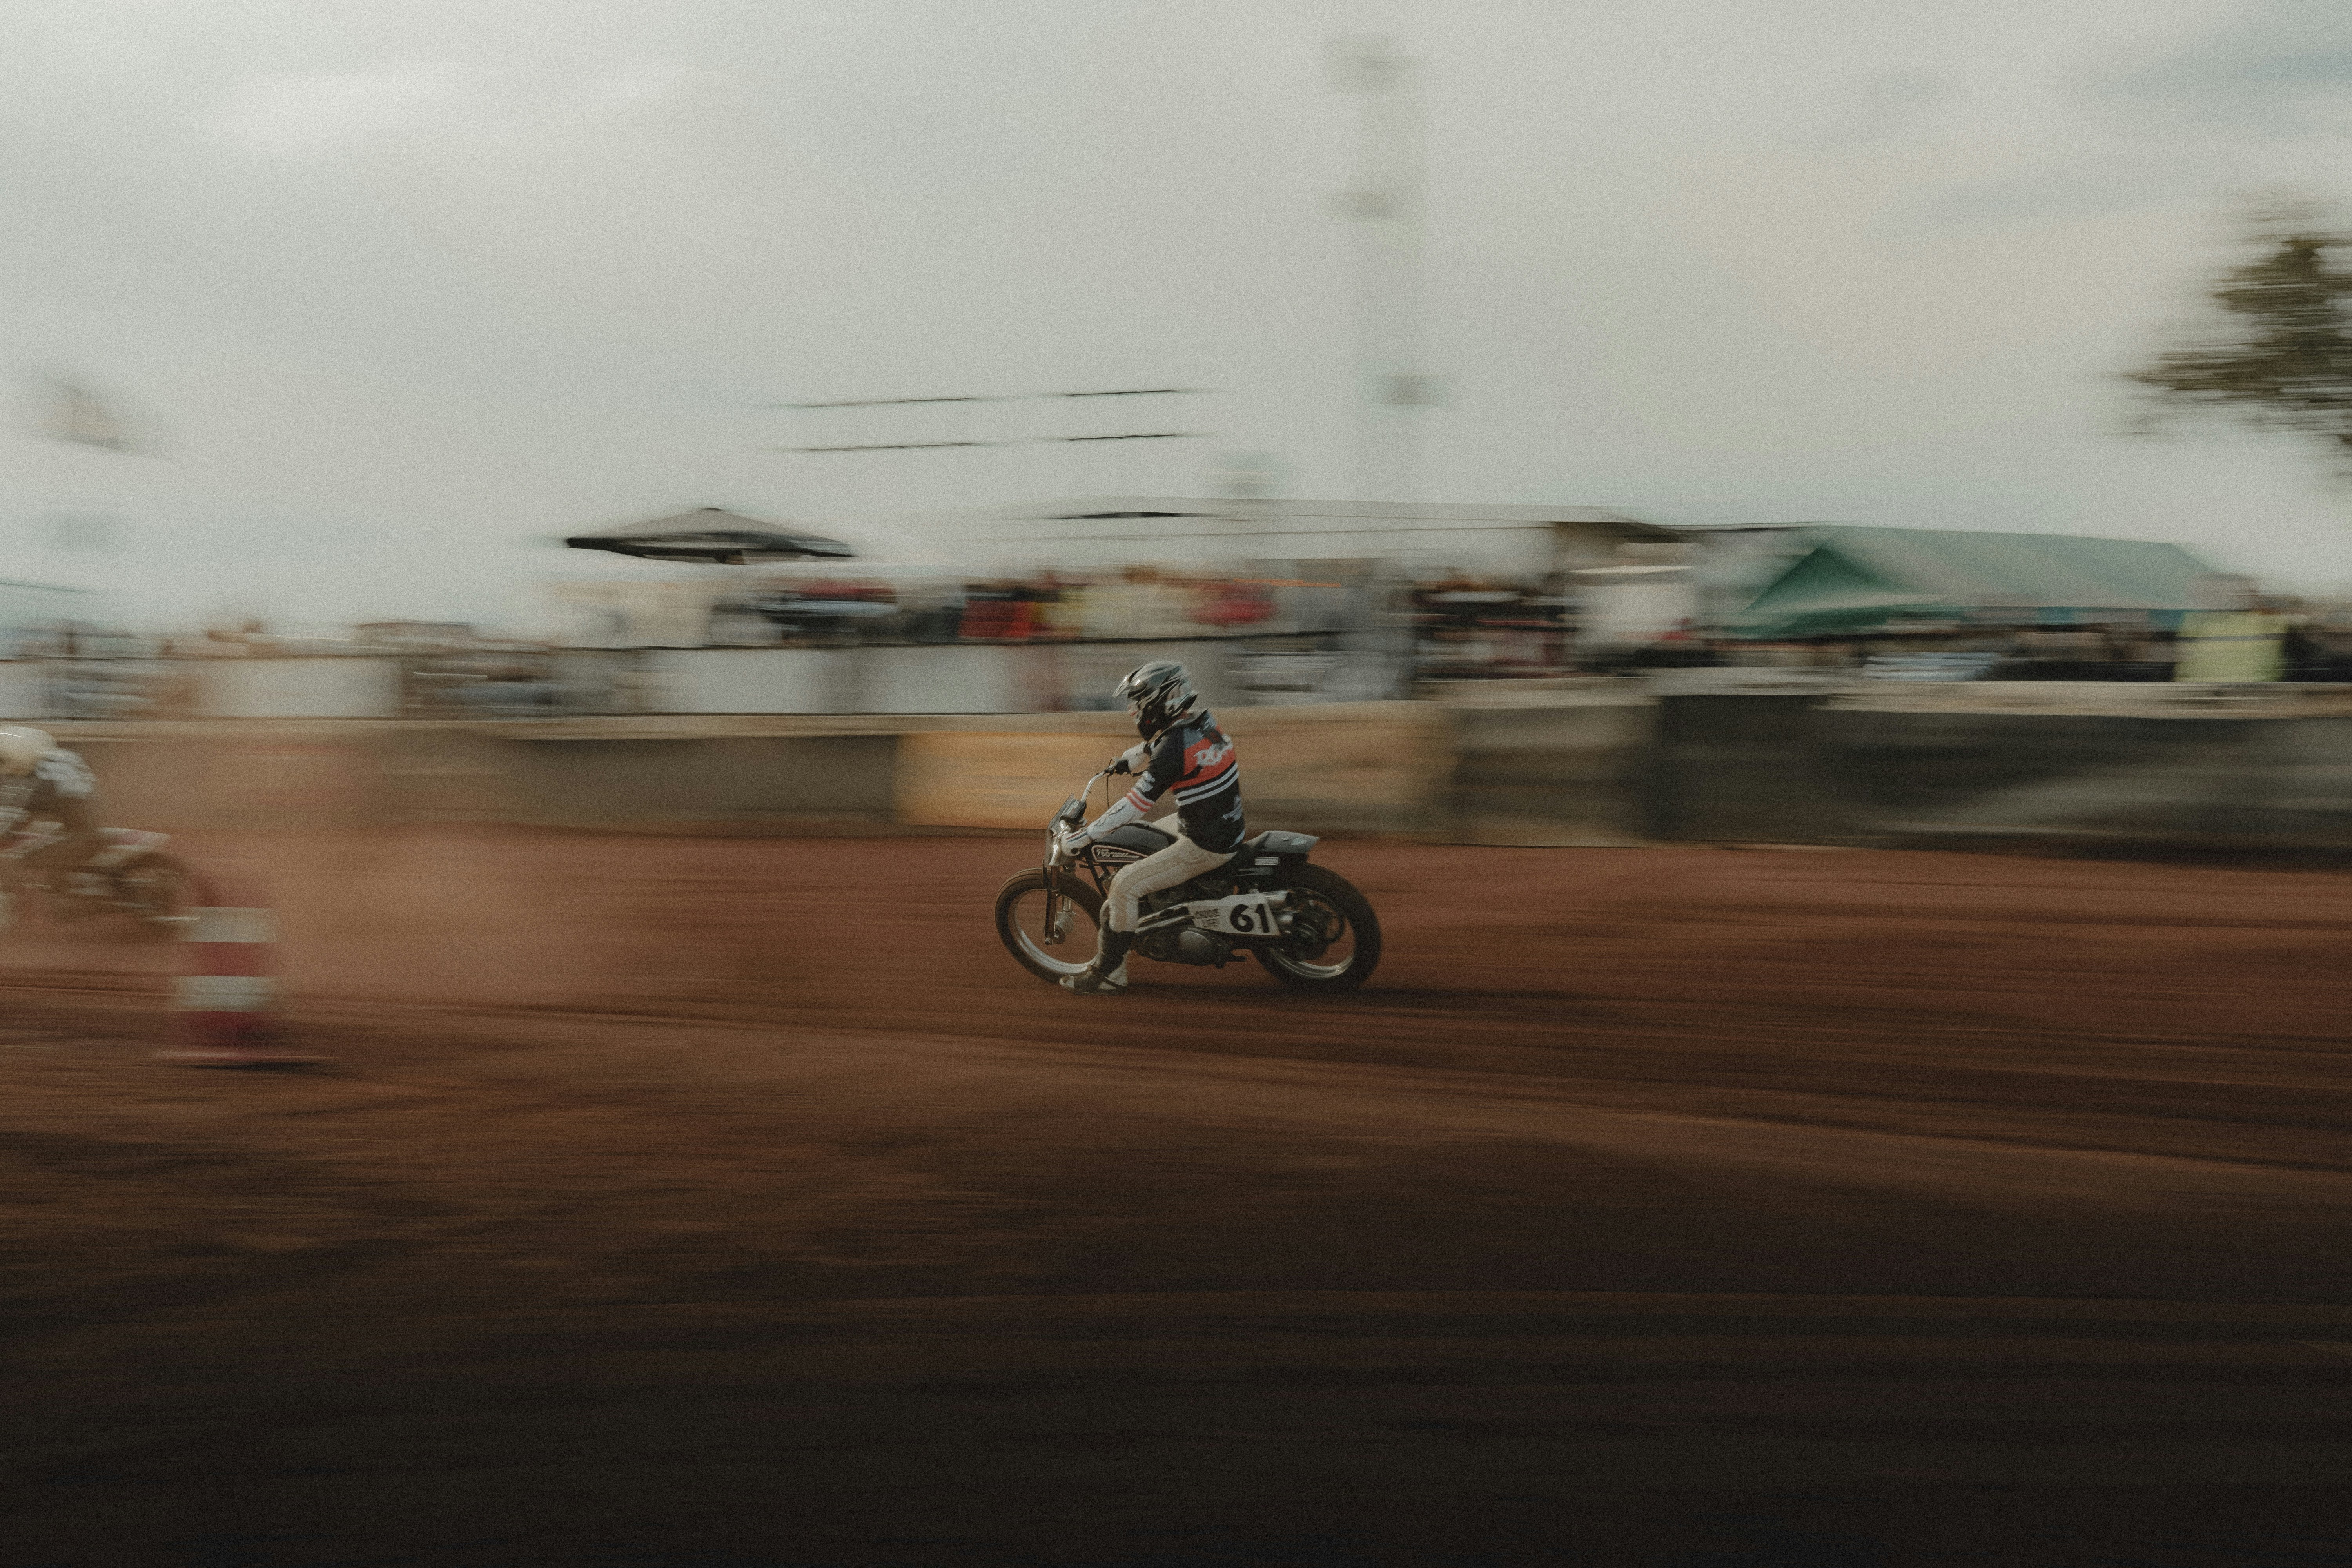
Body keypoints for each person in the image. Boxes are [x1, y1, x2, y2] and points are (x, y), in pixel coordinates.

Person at [1058, 662, 1243, 996]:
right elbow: (1173, 749)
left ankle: (1109, 975)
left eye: (1138, 703)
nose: (1133, 712)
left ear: (1159, 704)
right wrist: (1142, 753)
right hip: (1223, 824)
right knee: (1146, 836)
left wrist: (1085, 836)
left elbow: (1134, 805)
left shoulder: (1173, 749)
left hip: (1205, 843)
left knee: (1125, 885)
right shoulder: (1203, 722)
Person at [0, 726, 103, 895]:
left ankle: (16, 909)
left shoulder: (37, 780)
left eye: (3, 761)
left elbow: (8, 824)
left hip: (83, 833)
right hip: (81, 822)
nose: (4, 768)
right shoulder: (54, 759)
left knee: (18, 861)